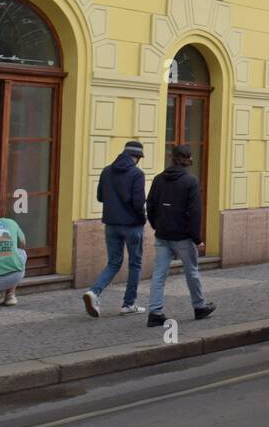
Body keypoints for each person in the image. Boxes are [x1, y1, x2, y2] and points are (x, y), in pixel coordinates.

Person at [145, 144, 215, 326]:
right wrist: (197, 238)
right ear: (188, 160)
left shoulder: (159, 179)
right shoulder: (190, 181)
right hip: (183, 237)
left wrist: (157, 225)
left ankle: (154, 313)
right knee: (191, 271)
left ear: (172, 158)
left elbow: (150, 206)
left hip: (162, 234)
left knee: (159, 274)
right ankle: (199, 307)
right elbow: (194, 212)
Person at [83, 140, 147, 318]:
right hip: (132, 225)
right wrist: (142, 219)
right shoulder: (137, 174)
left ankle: (94, 292)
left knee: (113, 263)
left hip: (111, 224)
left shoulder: (106, 170)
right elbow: (138, 203)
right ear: (138, 157)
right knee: (135, 263)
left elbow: (100, 197)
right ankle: (129, 304)